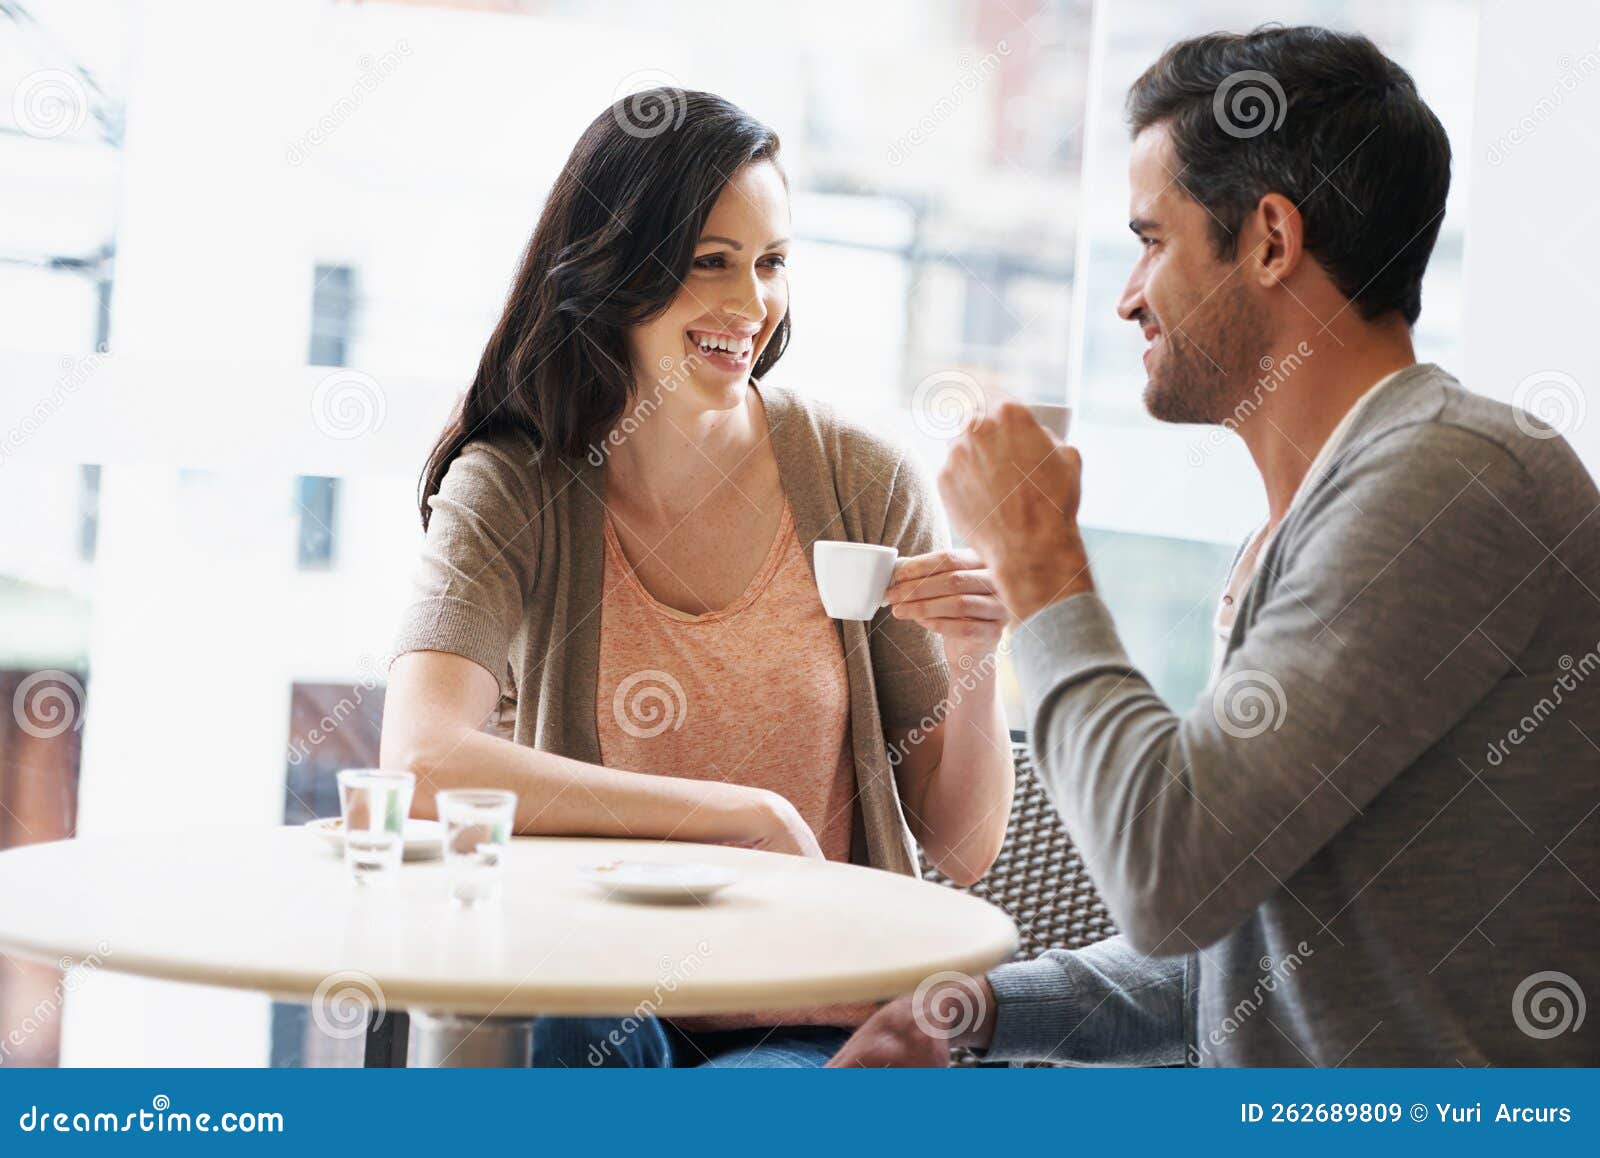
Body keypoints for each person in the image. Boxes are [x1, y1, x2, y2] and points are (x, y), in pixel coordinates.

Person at [831, 25, 1600, 1067]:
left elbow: (1167, 876)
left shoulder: (1454, 480)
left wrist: (1038, 559)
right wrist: (979, 1008)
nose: (1127, 295)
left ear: (1271, 240)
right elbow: (1241, 953)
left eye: (1153, 240)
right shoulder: (1326, 511)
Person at [378, 88, 1015, 1068]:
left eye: (770, 264)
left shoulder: (856, 480)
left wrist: (977, 659)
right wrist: (739, 818)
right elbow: (421, 764)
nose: (750, 304)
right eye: (709, 262)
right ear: (614, 268)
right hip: (588, 989)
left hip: (804, 1014)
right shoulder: (513, 484)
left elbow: (962, 847)